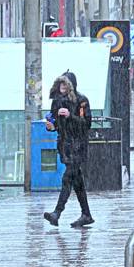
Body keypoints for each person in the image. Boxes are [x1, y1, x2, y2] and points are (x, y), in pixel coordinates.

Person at [43, 72, 94, 228]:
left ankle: (57, 212)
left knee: (67, 178)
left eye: (65, 84)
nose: (62, 87)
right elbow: (57, 124)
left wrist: (70, 115)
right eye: (60, 84)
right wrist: (52, 126)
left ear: (71, 86)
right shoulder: (57, 102)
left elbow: (86, 124)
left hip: (78, 146)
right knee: (77, 181)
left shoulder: (81, 100)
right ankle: (86, 214)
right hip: (65, 146)